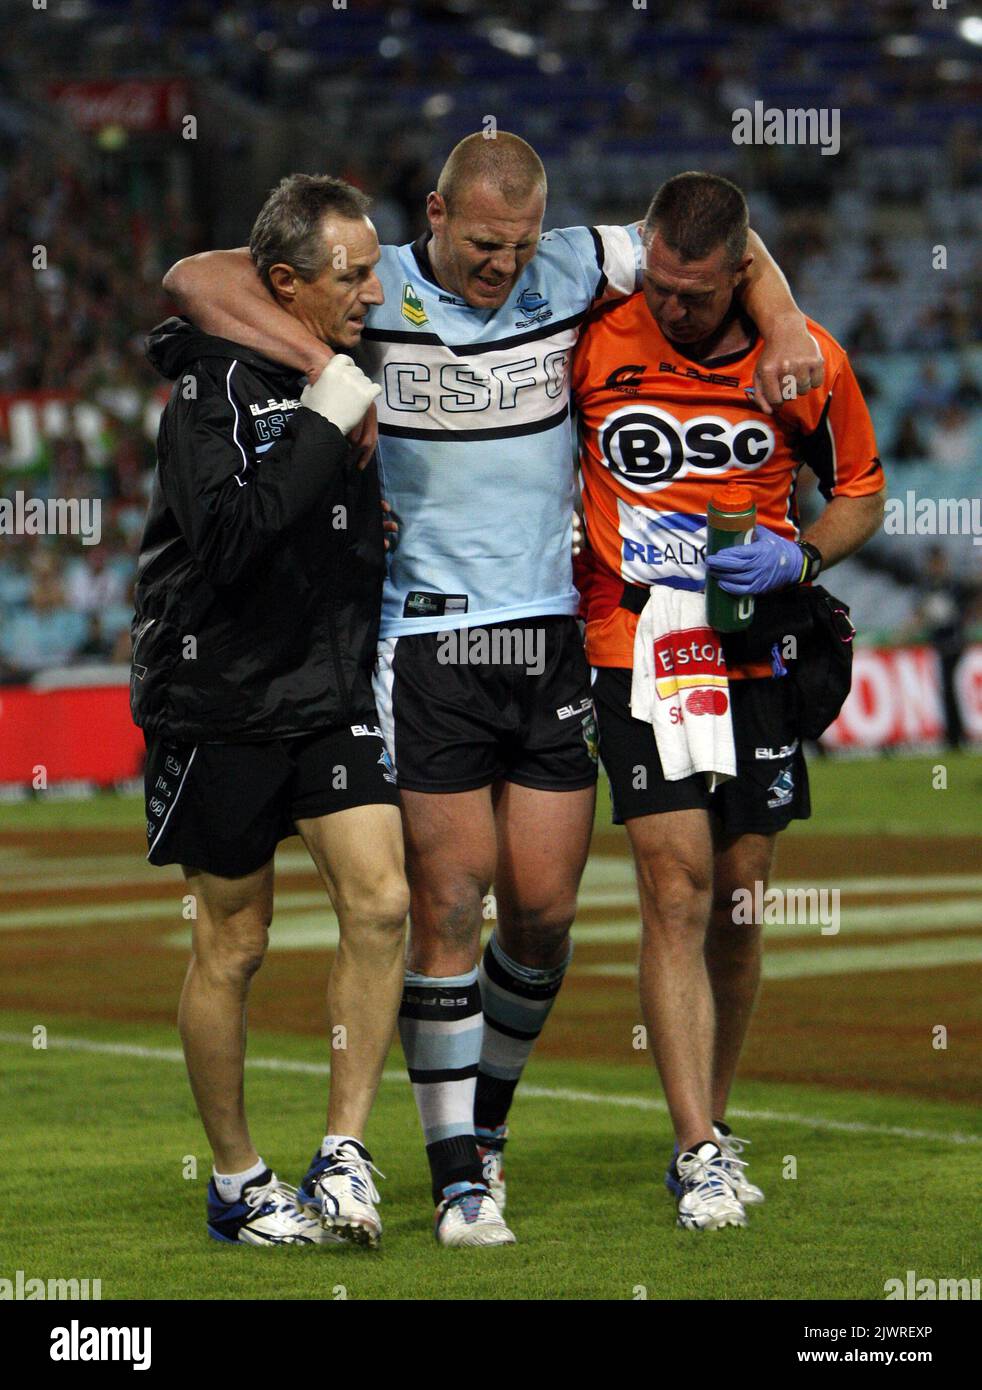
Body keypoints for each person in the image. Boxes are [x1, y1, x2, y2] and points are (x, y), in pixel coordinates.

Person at [161, 133, 825, 1247]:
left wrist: (791, 318)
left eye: (518, 243)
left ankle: (488, 1129)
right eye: (480, 243)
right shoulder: (373, 289)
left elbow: (724, 237)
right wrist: (331, 376)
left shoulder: (574, 262)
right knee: (444, 907)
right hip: (422, 643)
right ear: (433, 213)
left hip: (551, 634)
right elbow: (193, 278)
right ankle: (459, 1173)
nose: (501, 265)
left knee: (546, 920)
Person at [572, 172, 886, 1230]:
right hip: (633, 645)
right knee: (674, 887)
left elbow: (861, 491)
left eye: (695, 294)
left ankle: (720, 1112)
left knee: (741, 904)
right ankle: (693, 1145)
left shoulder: (804, 361)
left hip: (753, 648)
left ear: (740, 272)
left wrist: (795, 555)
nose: (671, 308)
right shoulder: (597, 335)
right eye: (659, 285)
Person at [131, 174, 410, 1249]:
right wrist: (331, 413)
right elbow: (232, 541)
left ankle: (342, 1152)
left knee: (382, 901)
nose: (372, 291)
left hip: (327, 692)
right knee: (233, 944)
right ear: (286, 284)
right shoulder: (207, 393)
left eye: (375, 267)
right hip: (217, 700)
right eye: (352, 274)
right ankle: (239, 1181)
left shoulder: (348, 360)